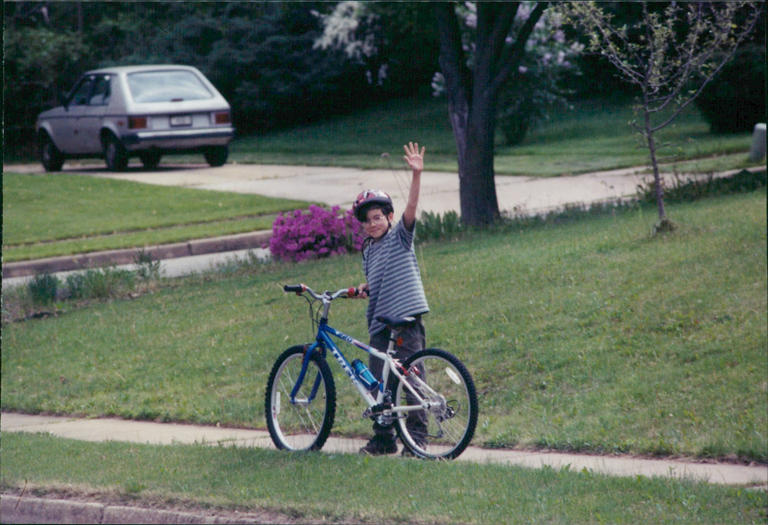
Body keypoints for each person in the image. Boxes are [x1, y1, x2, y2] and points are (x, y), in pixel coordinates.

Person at [352, 142, 430, 455]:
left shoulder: (400, 235)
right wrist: (365, 288)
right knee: (377, 385)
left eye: (377, 217)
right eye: (367, 220)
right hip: (379, 323)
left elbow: (412, 208)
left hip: (405, 318)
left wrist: (416, 175)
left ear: (389, 217)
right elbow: (378, 279)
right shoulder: (368, 250)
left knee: (411, 379)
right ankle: (384, 439)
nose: (372, 223)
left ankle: (417, 439)